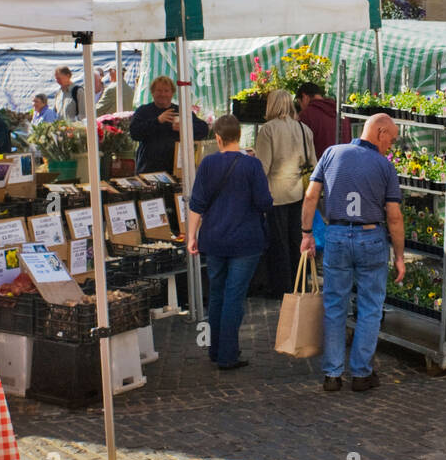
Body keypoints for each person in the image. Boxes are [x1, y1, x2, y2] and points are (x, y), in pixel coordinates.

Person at [300, 113, 404, 393]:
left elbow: (311, 196)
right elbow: (394, 216)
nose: (390, 147)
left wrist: (306, 233)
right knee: (370, 307)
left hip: (335, 235)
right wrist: (399, 256)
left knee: (335, 306)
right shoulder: (384, 166)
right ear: (380, 132)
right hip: (370, 236)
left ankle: (332, 375)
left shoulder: (332, 153)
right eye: (390, 140)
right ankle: (361, 373)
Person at [188, 113, 273, 370]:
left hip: (214, 238)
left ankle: (215, 350)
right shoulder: (252, 165)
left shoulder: (207, 163)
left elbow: (197, 204)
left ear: (217, 137)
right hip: (245, 240)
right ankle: (227, 354)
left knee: (216, 294)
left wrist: (191, 236)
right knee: (234, 296)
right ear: (239, 136)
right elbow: (264, 202)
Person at [254, 88, 314, 296]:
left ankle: (282, 288)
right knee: (297, 241)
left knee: (278, 244)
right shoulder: (304, 128)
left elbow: (262, 167)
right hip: (299, 192)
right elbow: (312, 162)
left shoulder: (268, 130)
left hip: (275, 195)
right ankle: (300, 284)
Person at [128, 75, 208, 174]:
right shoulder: (143, 111)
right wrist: (158, 121)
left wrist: (185, 128)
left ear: (172, 93)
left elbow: (204, 129)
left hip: (177, 170)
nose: (163, 94)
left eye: (166, 91)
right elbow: (134, 133)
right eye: (159, 90)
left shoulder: (181, 111)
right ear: (152, 92)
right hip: (149, 169)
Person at [296, 81, 338, 161]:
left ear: (304, 97)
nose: (300, 107)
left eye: (299, 103)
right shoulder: (339, 111)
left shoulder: (306, 115)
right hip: (342, 164)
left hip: (320, 166)